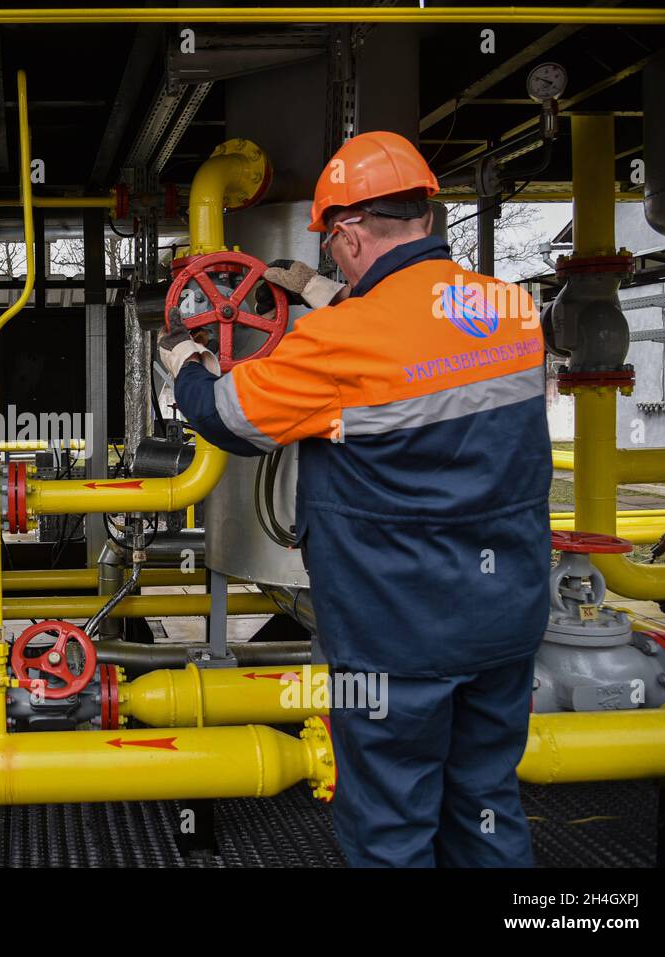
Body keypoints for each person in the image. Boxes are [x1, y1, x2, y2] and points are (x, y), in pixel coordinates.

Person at [160, 130, 551, 867]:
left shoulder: (339, 341)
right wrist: (325, 293)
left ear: (346, 233)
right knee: (486, 807)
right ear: (425, 219)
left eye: (332, 247)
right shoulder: (514, 313)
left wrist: (185, 362)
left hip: (393, 638)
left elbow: (230, 418)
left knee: (391, 825)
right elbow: (424, 345)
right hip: (506, 622)